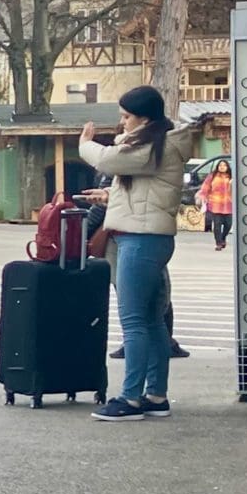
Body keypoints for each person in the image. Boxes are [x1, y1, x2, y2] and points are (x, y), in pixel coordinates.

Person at [82, 85, 204, 423]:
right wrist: (108, 196)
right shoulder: (160, 144)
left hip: (140, 239)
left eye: (125, 117)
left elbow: (107, 159)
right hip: (147, 236)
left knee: (134, 321)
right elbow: (147, 193)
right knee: (151, 320)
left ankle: (131, 398)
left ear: (144, 118)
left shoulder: (152, 147)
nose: (122, 124)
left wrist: (84, 143)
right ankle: (155, 395)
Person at [200, 157, 233, 249]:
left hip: (228, 205)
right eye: (220, 165)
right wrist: (203, 197)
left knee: (228, 225)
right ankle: (218, 243)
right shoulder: (212, 176)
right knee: (217, 226)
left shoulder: (232, 176)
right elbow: (205, 187)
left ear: (228, 167)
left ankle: (223, 238)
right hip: (215, 205)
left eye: (224, 165)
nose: (222, 167)